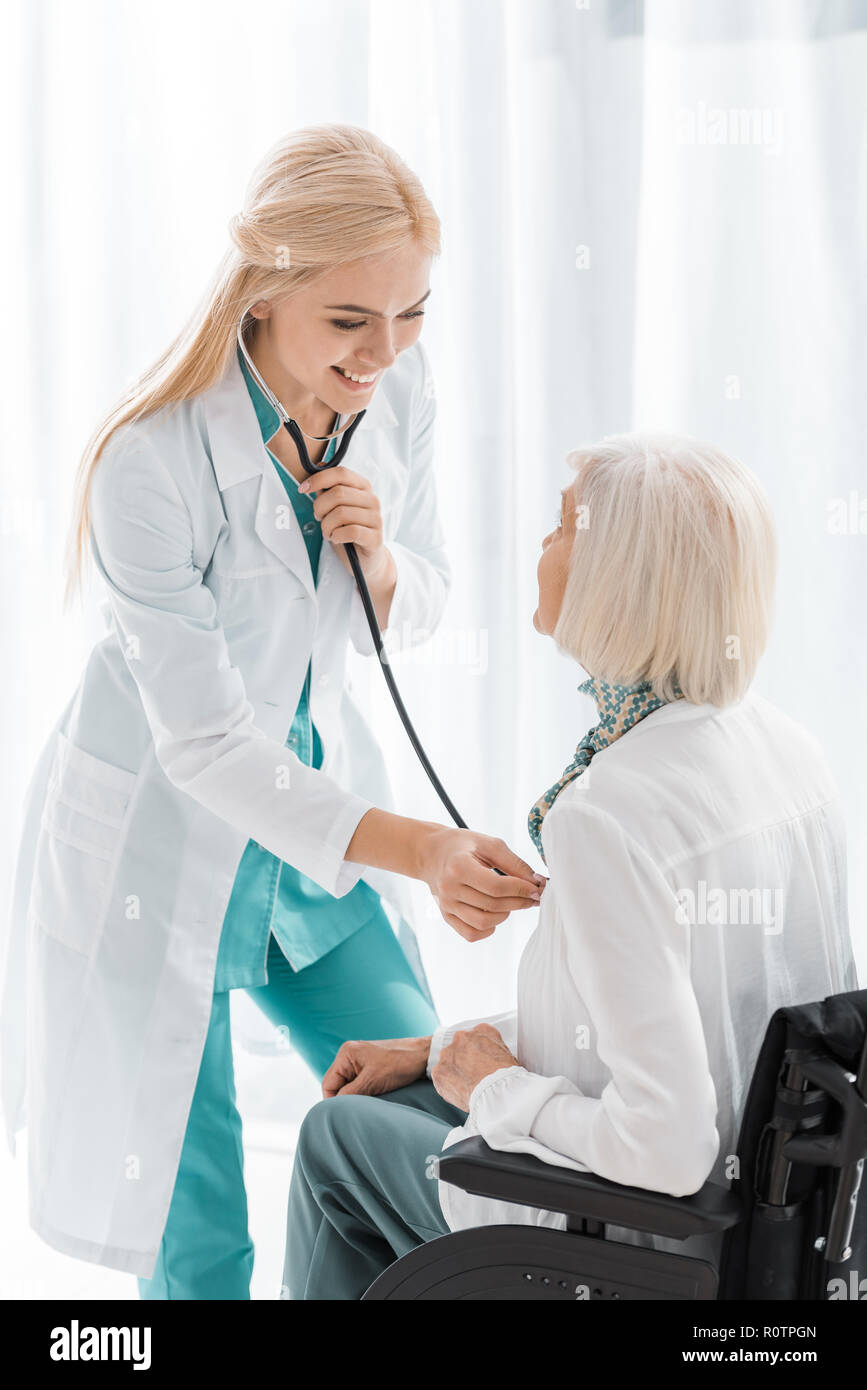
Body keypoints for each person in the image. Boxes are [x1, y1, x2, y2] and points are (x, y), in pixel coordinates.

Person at [0, 124, 543, 1300]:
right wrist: (430, 850)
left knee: (426, 1112)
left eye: (411, 317)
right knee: (197, 1243)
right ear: (263, 289)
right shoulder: (149, 462)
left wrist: (381, 558)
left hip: (309, 836)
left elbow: (430, 595)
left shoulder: (396, 392)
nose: (384, 354)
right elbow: (201, 743)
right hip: (161, 836)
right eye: (350, 321)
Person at [283, 431, 859, 1300]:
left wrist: (496, 1087)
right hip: (765, 1235)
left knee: (337, 1135)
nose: (541, 550)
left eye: (561, 529)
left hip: (635, 1239)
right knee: (397, 1105)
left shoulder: (608, 811)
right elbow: (681, 1021)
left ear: (616, 575)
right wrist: (438, 1052)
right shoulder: (788, 754)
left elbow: (665, 1146)